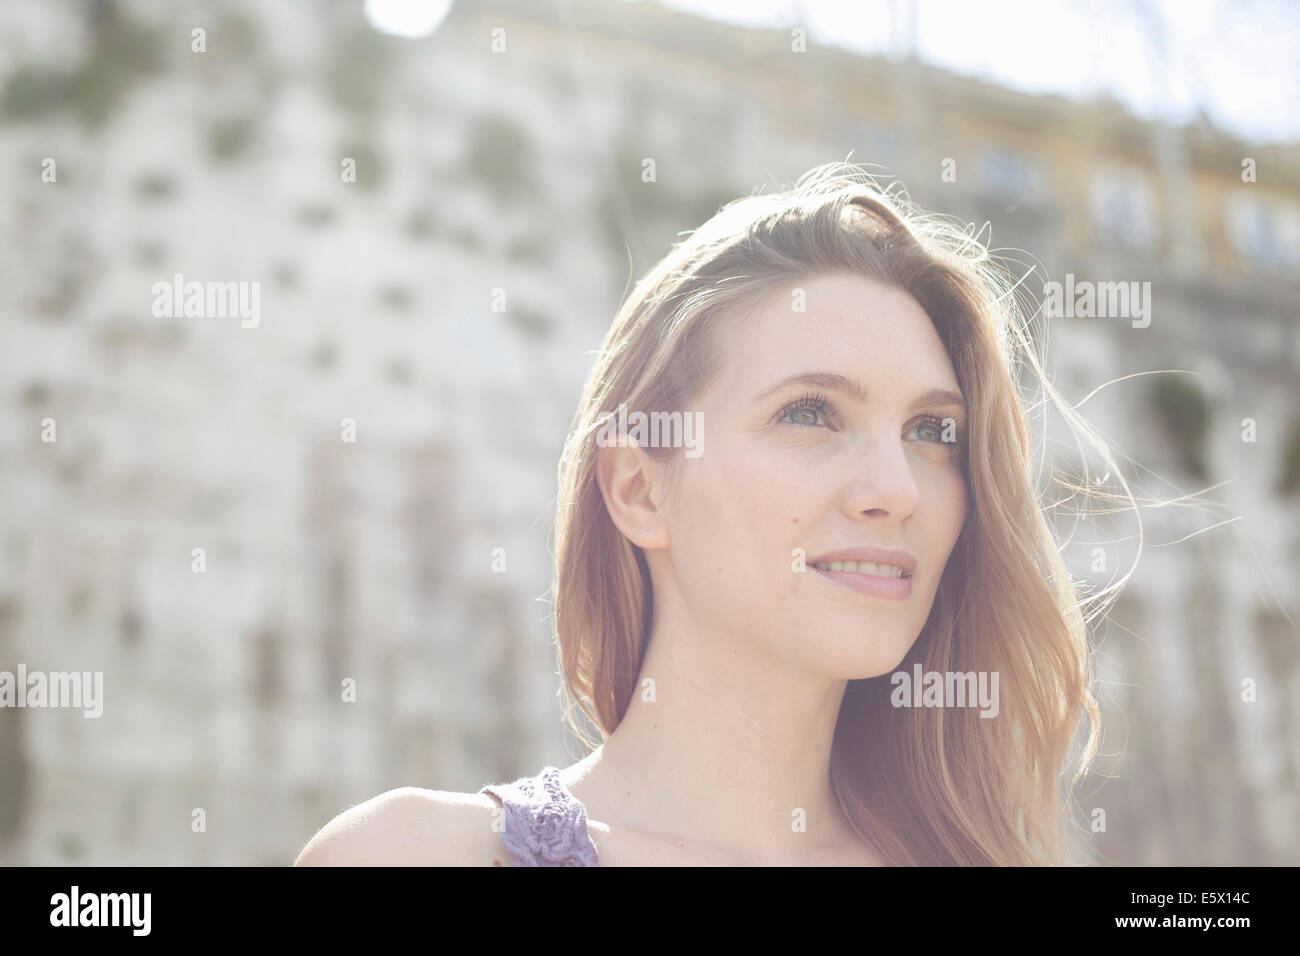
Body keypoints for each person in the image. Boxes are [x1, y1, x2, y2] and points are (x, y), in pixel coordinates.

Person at [295, 162, 1121, 867]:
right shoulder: (416, 855)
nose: (897, 487)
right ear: (639, 489)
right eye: (810, 413)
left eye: (933, 431)